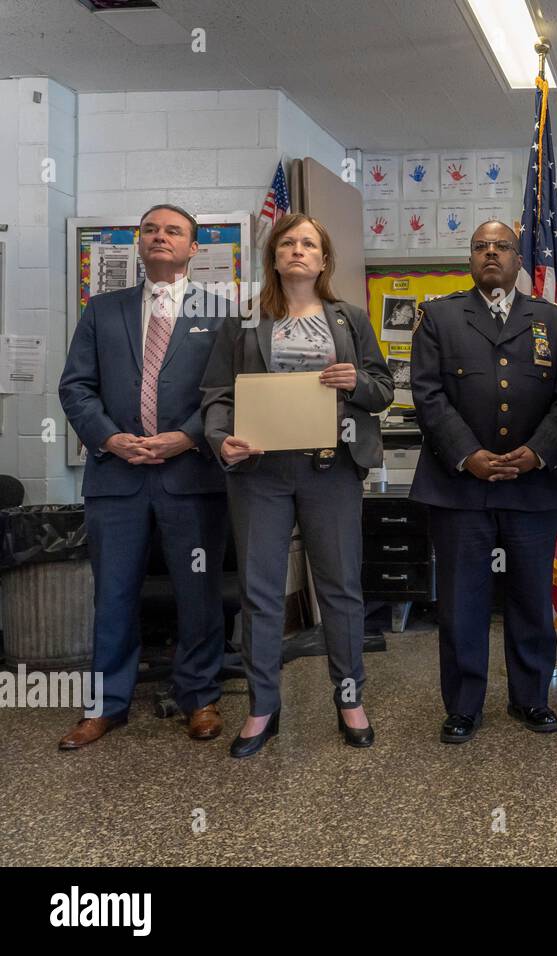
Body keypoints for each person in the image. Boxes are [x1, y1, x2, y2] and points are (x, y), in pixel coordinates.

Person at [201, 213, 393, 758]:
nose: (298, 251)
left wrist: (357, 381)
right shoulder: (244, 321)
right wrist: (220, 440)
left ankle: (349, 697)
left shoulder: (348, 319)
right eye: (288, 243)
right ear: (275, 256)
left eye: (309, 243)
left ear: (324, 258)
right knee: (260, 592)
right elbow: (216, 392)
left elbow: (382, 389)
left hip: (329, 468)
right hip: (260, 472)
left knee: (340, 588)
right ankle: (263, 705)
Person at [58, 204, 229, 750]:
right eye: (150, 230)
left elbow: (229, 393)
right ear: (138, 243)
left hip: (192, 475)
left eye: (173, 231)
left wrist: (187, 435)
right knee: (113, 592)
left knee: (197, 591)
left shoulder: (221, 313)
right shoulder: (102, 310)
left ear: (193, 248)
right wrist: (108, 437)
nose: (160, 237)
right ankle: (106, 706)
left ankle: (199, 697)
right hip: (117, 477)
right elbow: (76, 387)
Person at [409, 220, 557, 745]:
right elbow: (428, 394)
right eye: (481, 246)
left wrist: (535, 454)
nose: (491, 253)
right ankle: (463, 706)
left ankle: (531, 698)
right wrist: (468, 455)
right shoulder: (439, 317)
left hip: (532, 486)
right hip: (459, 485)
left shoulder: (551, 320)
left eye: (501, 246)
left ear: (517, 260)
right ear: (470, 257)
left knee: (531, 597)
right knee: (462, 601)